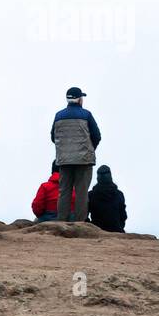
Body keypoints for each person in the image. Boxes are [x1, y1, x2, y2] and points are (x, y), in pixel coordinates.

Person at [52, 87, 101, 222]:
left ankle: (61, 221)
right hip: (84, 160)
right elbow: (97, 136)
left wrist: (64, 150)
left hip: (64, 160)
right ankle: (80, 223)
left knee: (64, 191)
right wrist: (89, 149)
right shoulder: (86, 115)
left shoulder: (58, 116)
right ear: (79, 99)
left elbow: (52, 137)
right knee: (81, 193)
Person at [87, 165, 127, 232]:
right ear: (110, 176)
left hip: (97, 230)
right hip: (116, 230)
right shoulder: (119, 194)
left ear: (97, 177)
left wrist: (91, 227)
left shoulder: (91, 195)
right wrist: (119, 227)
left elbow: (85, 215)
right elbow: (123, 216)